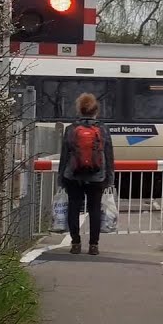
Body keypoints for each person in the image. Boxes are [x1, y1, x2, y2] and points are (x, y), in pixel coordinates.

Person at [57, 92, 116, 255]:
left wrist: (61, 178)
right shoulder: (103, 129)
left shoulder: (71, 129)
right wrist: (110, 177)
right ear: (96, 111)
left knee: (74, 207)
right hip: (97, 176)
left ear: (79, 110)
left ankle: (75, 243)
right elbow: (109, 155)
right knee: (95, 209)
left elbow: (65, 155)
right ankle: (93, 246)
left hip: (73, 175)